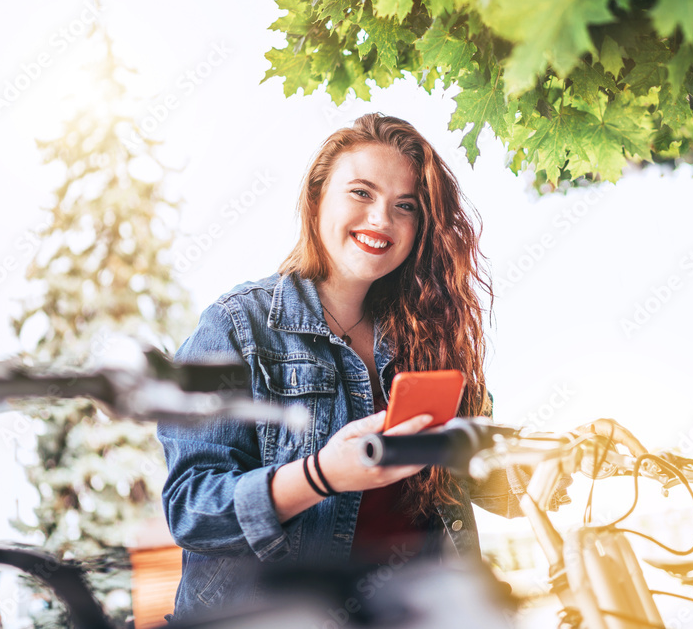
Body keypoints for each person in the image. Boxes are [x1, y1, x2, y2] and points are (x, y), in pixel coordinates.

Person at [158, 114, 559, 620]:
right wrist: (323, 475)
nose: (381, 219)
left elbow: (480, 478)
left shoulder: (427, 336)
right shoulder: (238, 326)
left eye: (405, 206)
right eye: (362, 193)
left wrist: (566, 460)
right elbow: (193, 510)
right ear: (317, 198)